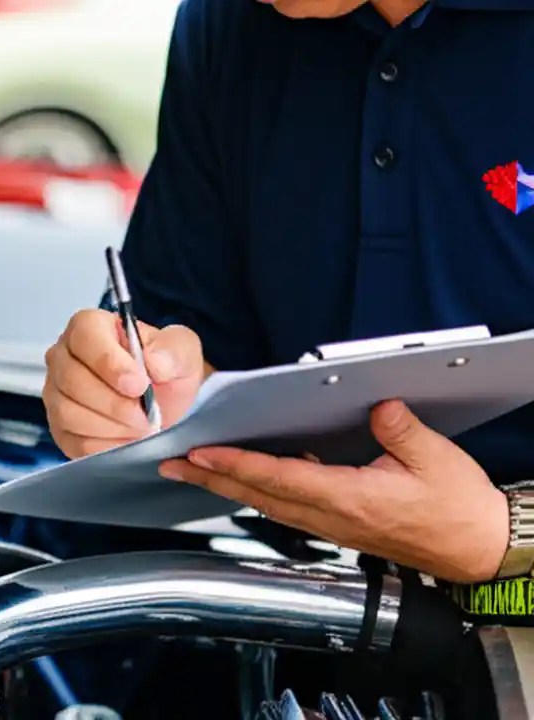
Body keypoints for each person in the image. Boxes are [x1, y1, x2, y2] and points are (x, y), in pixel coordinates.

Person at [42, 0, 534, 588]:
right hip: (303, 615)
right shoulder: (228, 24)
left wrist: (503, 536)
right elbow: (189, 347)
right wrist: (135, 397)